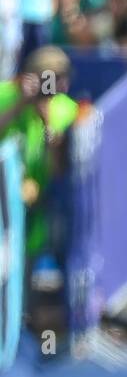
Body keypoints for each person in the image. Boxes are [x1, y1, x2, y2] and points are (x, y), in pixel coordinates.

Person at [0, 46, 77, 260]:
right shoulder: (5, 95)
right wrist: (21, 103)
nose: (61, 85)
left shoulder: (66, 109)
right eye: (53, 79)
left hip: (38, 206)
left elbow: (58, 168)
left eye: (64, 78)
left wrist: (47, 122)